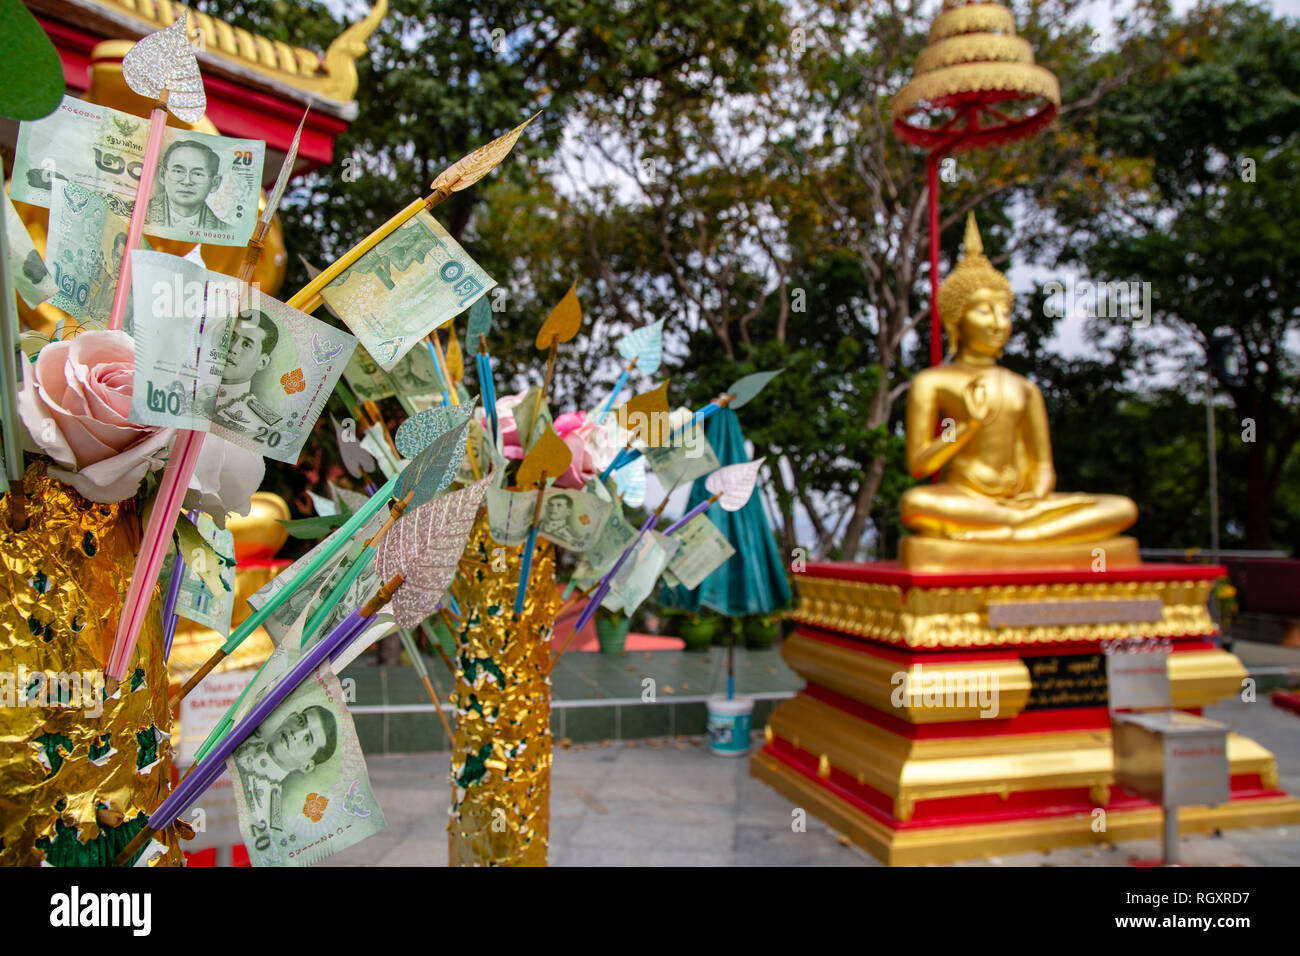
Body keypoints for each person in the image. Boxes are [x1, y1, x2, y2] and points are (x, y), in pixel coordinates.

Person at [899, 214, 1137, 554]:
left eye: (1005, 312)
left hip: (1022, 505)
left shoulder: (1023, 387)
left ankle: (1008, 536)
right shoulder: (934, 381)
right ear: (956, 320)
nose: (998, 324)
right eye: (984, 311)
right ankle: (1024, 535)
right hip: (966, 498)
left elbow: (1042, 466)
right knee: (915, 504)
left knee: (1122, 508)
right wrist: (967, 426)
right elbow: (920, 464)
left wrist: (1036, 496)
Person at [232, 705, 339, 851]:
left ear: (306, 766)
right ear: (291, 716)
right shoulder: (245, 728)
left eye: (307, 739)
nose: (297, 733)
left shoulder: (267, 818)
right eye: (301, 721)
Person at [206, 310, 283, 435]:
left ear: (262, 362)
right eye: (232, 337)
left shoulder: (261, 425)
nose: (233, 348)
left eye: (246, 344)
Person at [146, 139, 231, 233]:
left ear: (215, 183)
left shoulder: (226, 230)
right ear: (162, 175)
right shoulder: (133, 213)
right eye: (178, 171)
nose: (187, 182)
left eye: (198, 174)